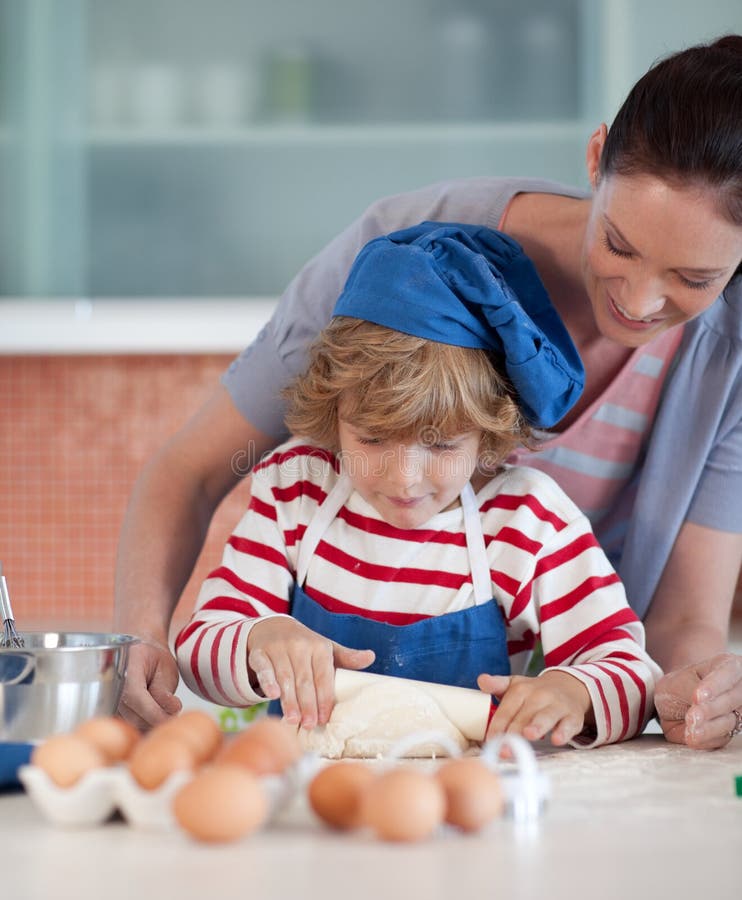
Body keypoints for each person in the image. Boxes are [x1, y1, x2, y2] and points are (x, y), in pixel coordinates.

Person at [115, 35, 742, 750]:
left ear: (496, 435)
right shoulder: (387, 284)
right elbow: (193, 488)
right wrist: (212, 641)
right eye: (621, 245)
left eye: (693, 279)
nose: (637, 301)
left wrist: (670, 692)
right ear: (596, 156)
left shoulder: (526, 515)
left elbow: (661, 639)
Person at [175, 223, 662, 748]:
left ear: (489, 431)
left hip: (464, 805)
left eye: (441, 445)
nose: (403, 479)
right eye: (373, 439)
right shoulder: (296, 490)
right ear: (334, 414)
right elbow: (199, 648)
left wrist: (574, 690)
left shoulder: (526, 521)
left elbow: (634, 675)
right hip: (311, 800)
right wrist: (257, 640)